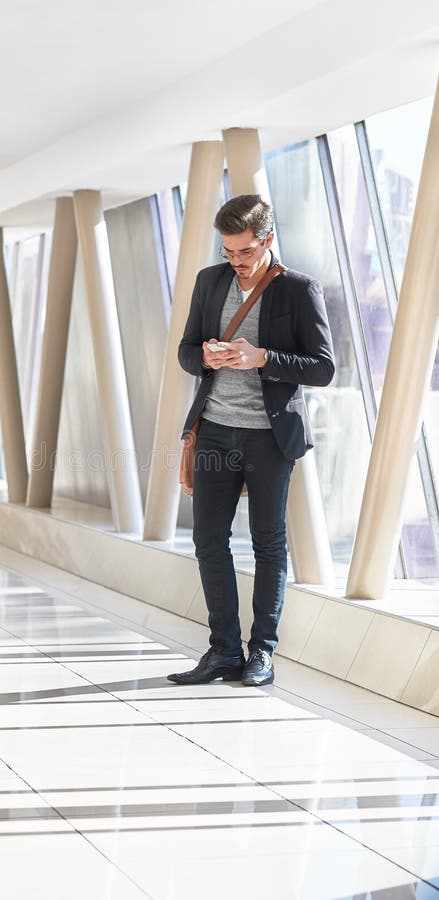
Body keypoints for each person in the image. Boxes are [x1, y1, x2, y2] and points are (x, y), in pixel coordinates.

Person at [168, 194, 335, 687]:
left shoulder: (299, 290)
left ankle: (261, 651)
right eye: (228, 252)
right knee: (207, 541)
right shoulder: (209, 281)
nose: (235, 262)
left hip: (270, 436)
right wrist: (207, 357)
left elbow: (324, 367)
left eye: (244, 252)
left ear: (267, 240)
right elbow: (184, 351)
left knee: (267, 543)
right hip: (215, 430)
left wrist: (262, 357)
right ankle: (223, 651)